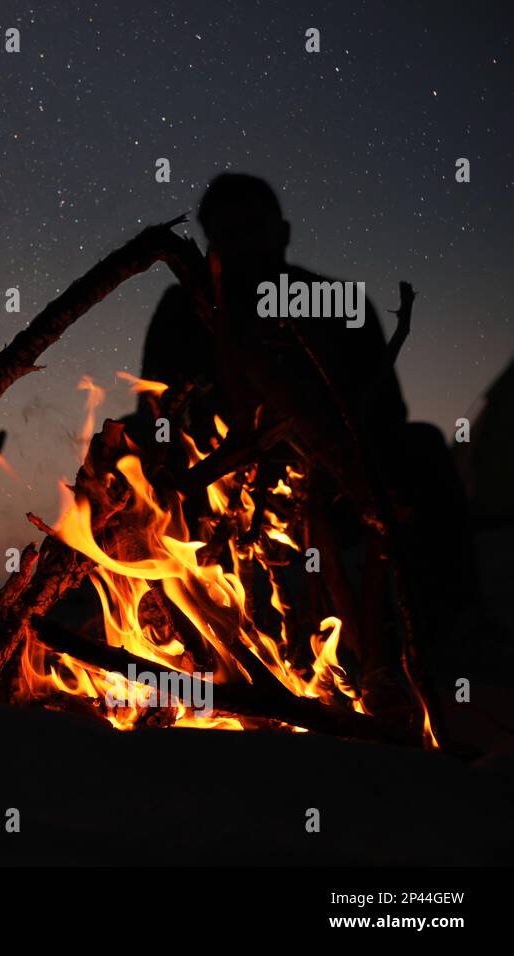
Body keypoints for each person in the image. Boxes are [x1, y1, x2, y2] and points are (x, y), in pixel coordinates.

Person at [136, 173, 477, 668]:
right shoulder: (185, 307)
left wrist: (326, 447)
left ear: (283, 231)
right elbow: (156, 406)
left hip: (333, 482)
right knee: (127, 457)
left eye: (253, 228)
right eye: (227, 233)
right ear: (209, 240)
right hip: (215, 484)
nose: (243, 245)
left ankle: (453, 624)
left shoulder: (341, 305)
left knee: (420, 445)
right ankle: (164, 634)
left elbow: (386, 412)